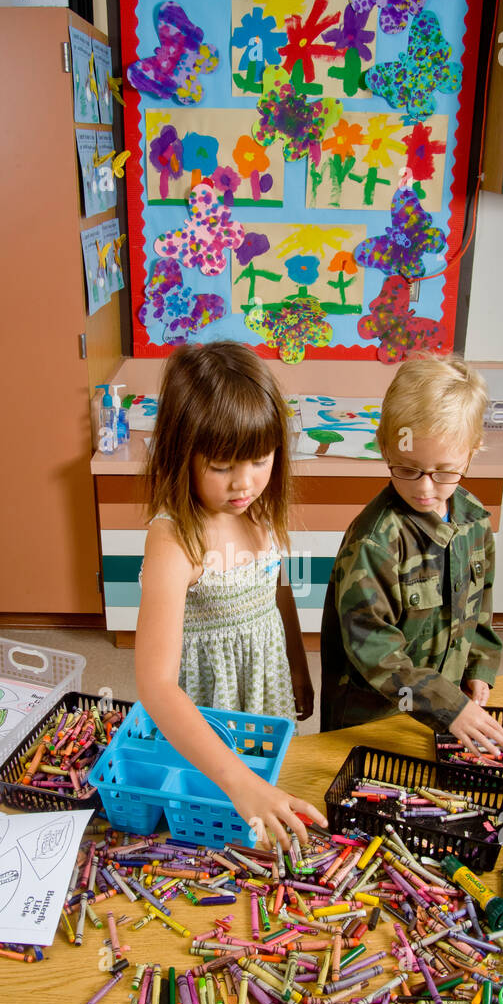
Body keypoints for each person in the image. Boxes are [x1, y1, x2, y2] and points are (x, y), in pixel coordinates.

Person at [136, 341, 326, 850]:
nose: (245, 483)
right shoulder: (175, 538)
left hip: (265, 690)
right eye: (222, 466)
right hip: (207, 718)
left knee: (271, 816)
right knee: (213, 832)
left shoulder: (259, 506)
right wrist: (238, 781)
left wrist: (299, 667)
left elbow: (276, 588)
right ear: (182, 454)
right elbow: (155, 685)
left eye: (260, 461)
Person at [320, 352, 503, 757]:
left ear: (472, 452)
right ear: (384, 446)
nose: (425, 488)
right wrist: (446, 705)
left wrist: (480, 667)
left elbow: (480, 607)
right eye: (407, 468)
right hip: (373, 720)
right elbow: (373, 650)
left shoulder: (475, 520)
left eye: (444, 471)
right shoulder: (374, 542)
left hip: (443, 715)